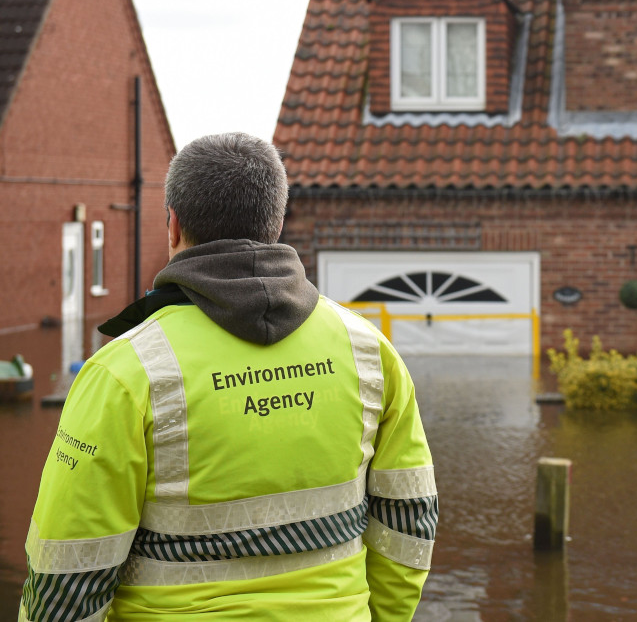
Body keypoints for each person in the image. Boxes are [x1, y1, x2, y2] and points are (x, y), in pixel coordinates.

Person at [19, 132, 437, 621]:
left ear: (172, 224)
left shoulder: (125, 373)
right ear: (276, 222)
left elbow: (66, 577)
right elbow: (409, 523)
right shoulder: (369, 351)